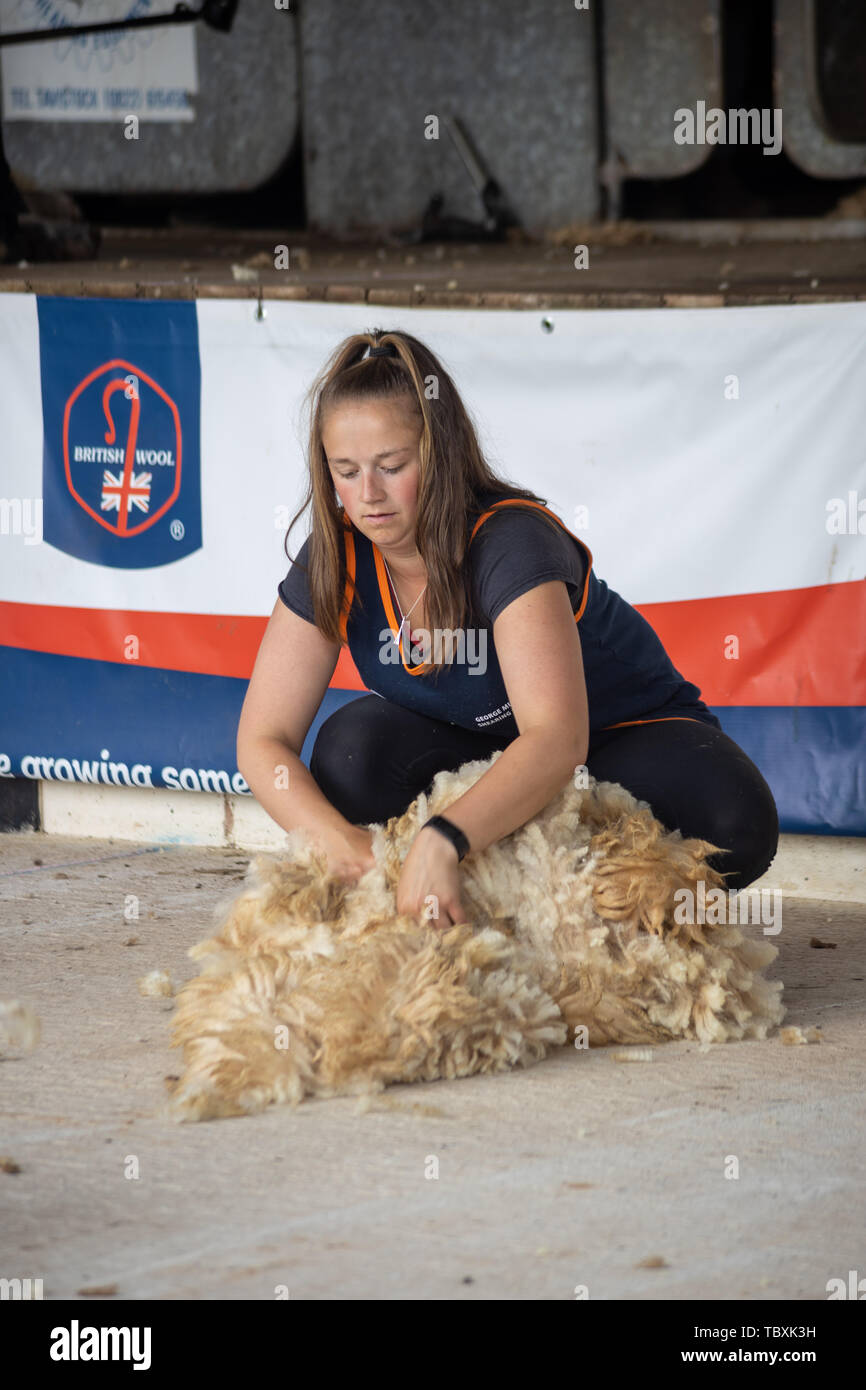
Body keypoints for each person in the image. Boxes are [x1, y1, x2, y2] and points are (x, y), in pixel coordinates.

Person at [237, 328, 779, 929]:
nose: (368, 495)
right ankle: (486, 897)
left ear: (438, 454)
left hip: (613, 739)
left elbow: (556, 738)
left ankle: (551, 903)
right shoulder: (336, 553)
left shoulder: (510, 543)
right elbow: (263, 737)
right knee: (349, 756)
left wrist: (441, 837)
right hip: (483, 745)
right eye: (345, 470)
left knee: (737, 822)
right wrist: (336, 843)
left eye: (392, 466)